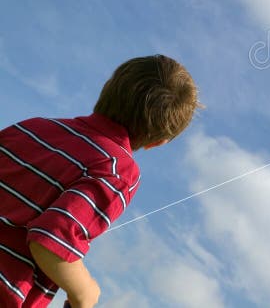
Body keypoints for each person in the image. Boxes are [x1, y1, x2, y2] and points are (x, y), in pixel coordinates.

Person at [0, 55, 201, 307]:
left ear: (107, 89)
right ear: (157, 142)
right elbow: (51, 240)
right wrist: (85, 293)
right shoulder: (117, 169)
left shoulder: (33, 126)